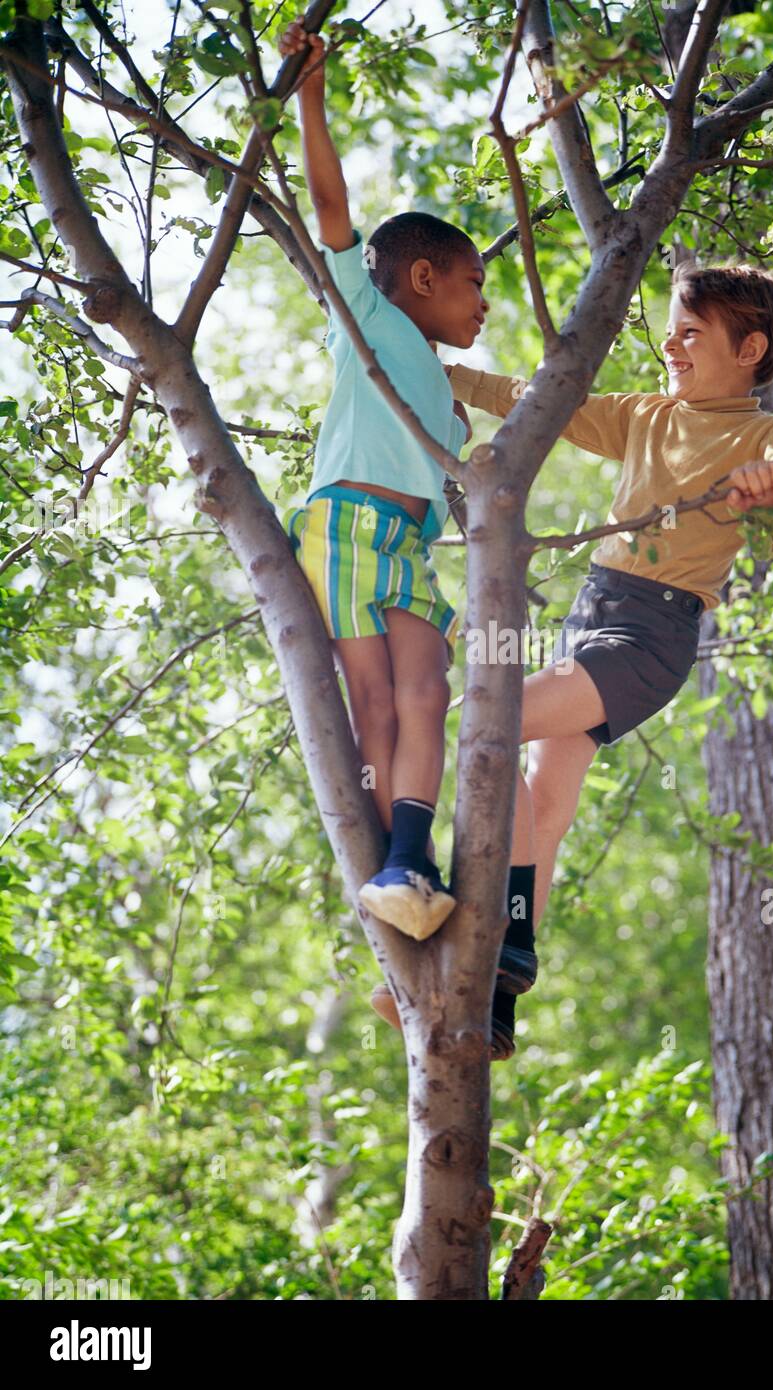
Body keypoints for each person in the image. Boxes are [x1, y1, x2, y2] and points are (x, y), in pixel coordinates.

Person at [372, 259, 773, 1057]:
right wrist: (439, 371)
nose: (670, 343)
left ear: (749, 347)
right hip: (591, 616)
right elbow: (539, 400)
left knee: (485, 721)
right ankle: (496, 1003)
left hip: (649, 637)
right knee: (544, 806)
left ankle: (462, 934)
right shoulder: (646, 416)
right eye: (670, 329)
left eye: (691, 332)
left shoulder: (765, 436)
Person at [277, 20, 491, 943]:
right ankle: (385, 869)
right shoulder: (366, 312)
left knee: (428, 689)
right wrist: (310, 96)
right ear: (418, 275)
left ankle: (412, 854)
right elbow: (332, 209)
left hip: (409, 545)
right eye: (474, 284)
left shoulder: (447, 404)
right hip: (344, 527)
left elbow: (474, 476)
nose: (484, 303)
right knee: (372, 701)